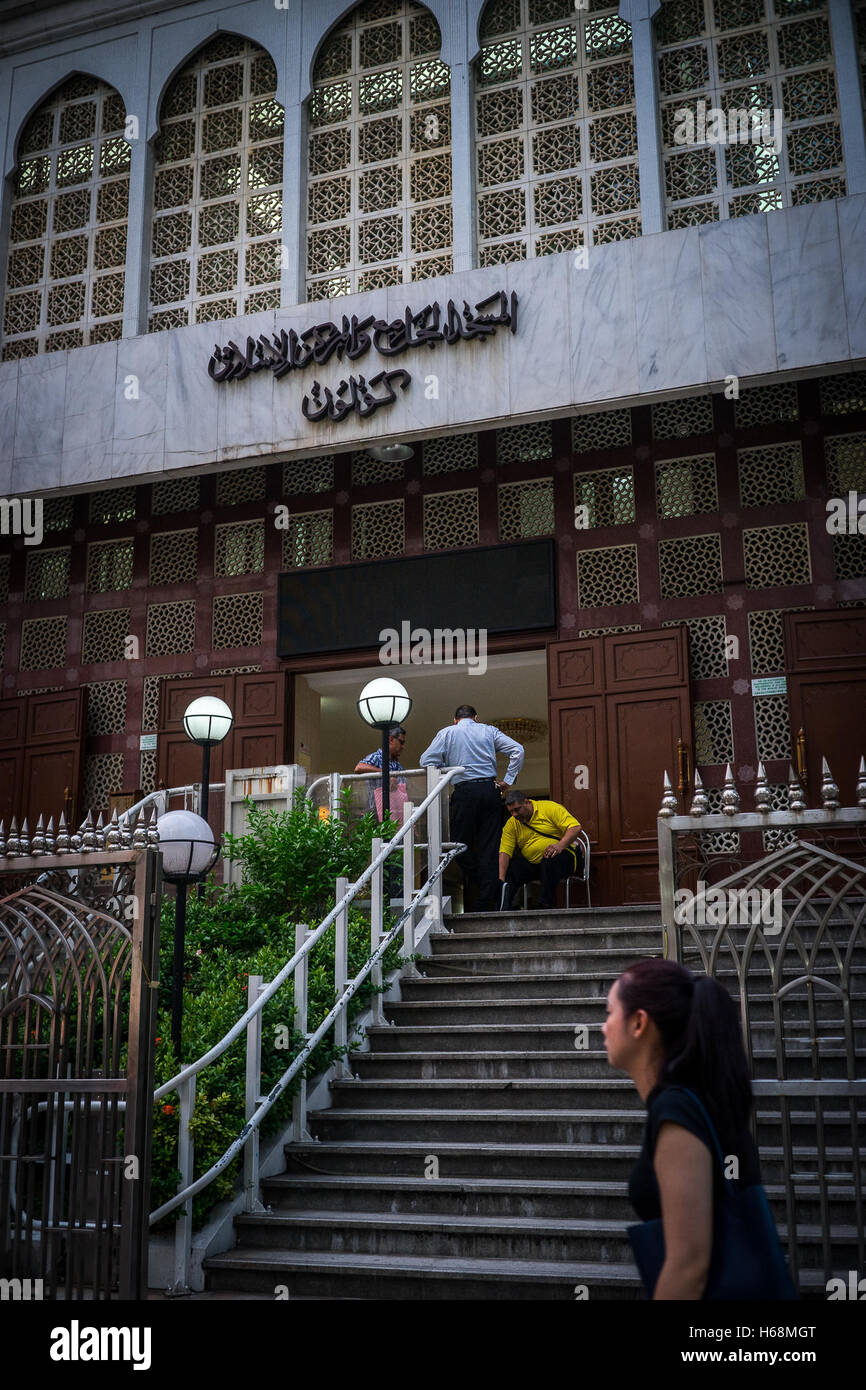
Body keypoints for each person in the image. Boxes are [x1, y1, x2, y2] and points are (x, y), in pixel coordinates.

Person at [603, 957, 763, 1300]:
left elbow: (688, 1267)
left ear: (639, 1023)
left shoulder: (677, 1111)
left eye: (609, 1012)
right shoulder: (690, 1101)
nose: (602, 1028)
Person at [419, 704, 523, 912]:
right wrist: (508, 781)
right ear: (476, 718)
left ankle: (486, 888)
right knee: (489, 846)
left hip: (464, 792)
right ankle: (489, 895)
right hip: (489, 790)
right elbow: (517, 750)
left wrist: (447, 770)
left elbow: (426, 761)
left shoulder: (447, 732)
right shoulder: (488, 730)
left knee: (458, 844)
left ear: (455, 719)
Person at [498, 788, 583, 910]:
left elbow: (575, 827)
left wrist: (560, 845)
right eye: (511, 812)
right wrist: (501, 879)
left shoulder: (549, 808)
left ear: (527, 802)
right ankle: (505, 907)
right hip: (534, 864)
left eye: (517, 809)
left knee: (549, 861)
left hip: (562, 858)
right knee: (511, 868)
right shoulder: (511, 824)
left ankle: (546, 905)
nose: (515, 815)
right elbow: (504, 852)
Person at [355, 725, 407, 821]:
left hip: (393, 813)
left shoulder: (397, 765)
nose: (403, 747)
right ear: (391, 739)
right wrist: (386, 775)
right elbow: (359, 767)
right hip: (374, 814)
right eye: (401, 742)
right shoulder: (377, 757)